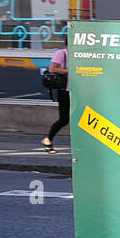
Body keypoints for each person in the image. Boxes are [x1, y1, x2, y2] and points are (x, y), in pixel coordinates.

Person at [41, 26, 68, 154]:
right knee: (64, 119)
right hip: (64, 90)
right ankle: (48, 139)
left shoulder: (79, 55)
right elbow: (52, 69)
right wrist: (69, 71)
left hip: (77, 90)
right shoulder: (61, 53)